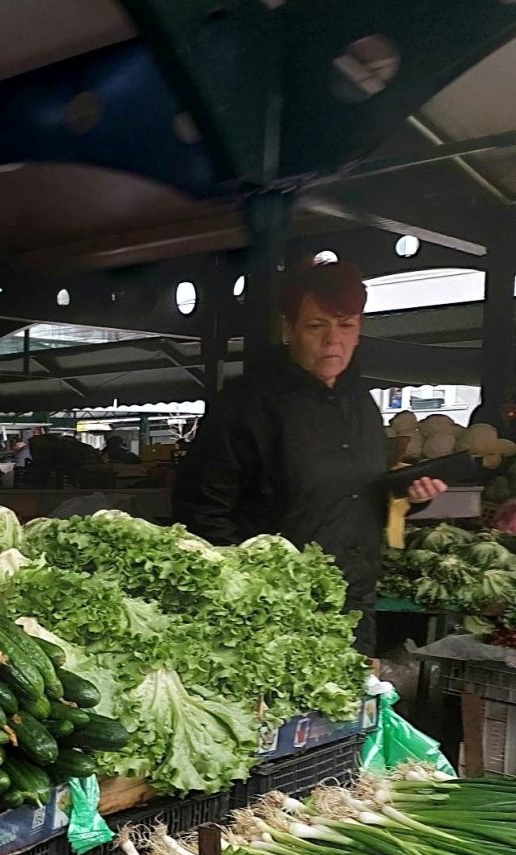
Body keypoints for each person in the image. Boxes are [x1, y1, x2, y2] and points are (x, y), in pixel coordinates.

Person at [173, 260, 446, 653]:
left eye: (346, 325)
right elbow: (201, 509)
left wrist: (408, 495)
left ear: (359, 331)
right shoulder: (246, 404)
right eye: (317, 326)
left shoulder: (362, 404)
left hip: (353, 604)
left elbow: (358, 495)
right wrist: (247, 589)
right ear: (290, 329)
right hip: (275, 614)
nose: (333, 340)